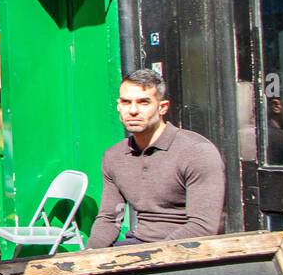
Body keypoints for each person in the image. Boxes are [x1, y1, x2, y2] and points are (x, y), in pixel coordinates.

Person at [88, 69, 226, 248]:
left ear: (163, 107)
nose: (133, 110)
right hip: (139, 245)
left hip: (191, 253)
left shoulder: (196, 151)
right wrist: (86, 257)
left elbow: (203, 227)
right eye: (126, 102)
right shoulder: (114, 156)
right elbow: (108, 219)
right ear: (118, 105)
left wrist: (154, 256)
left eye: (143, 102)